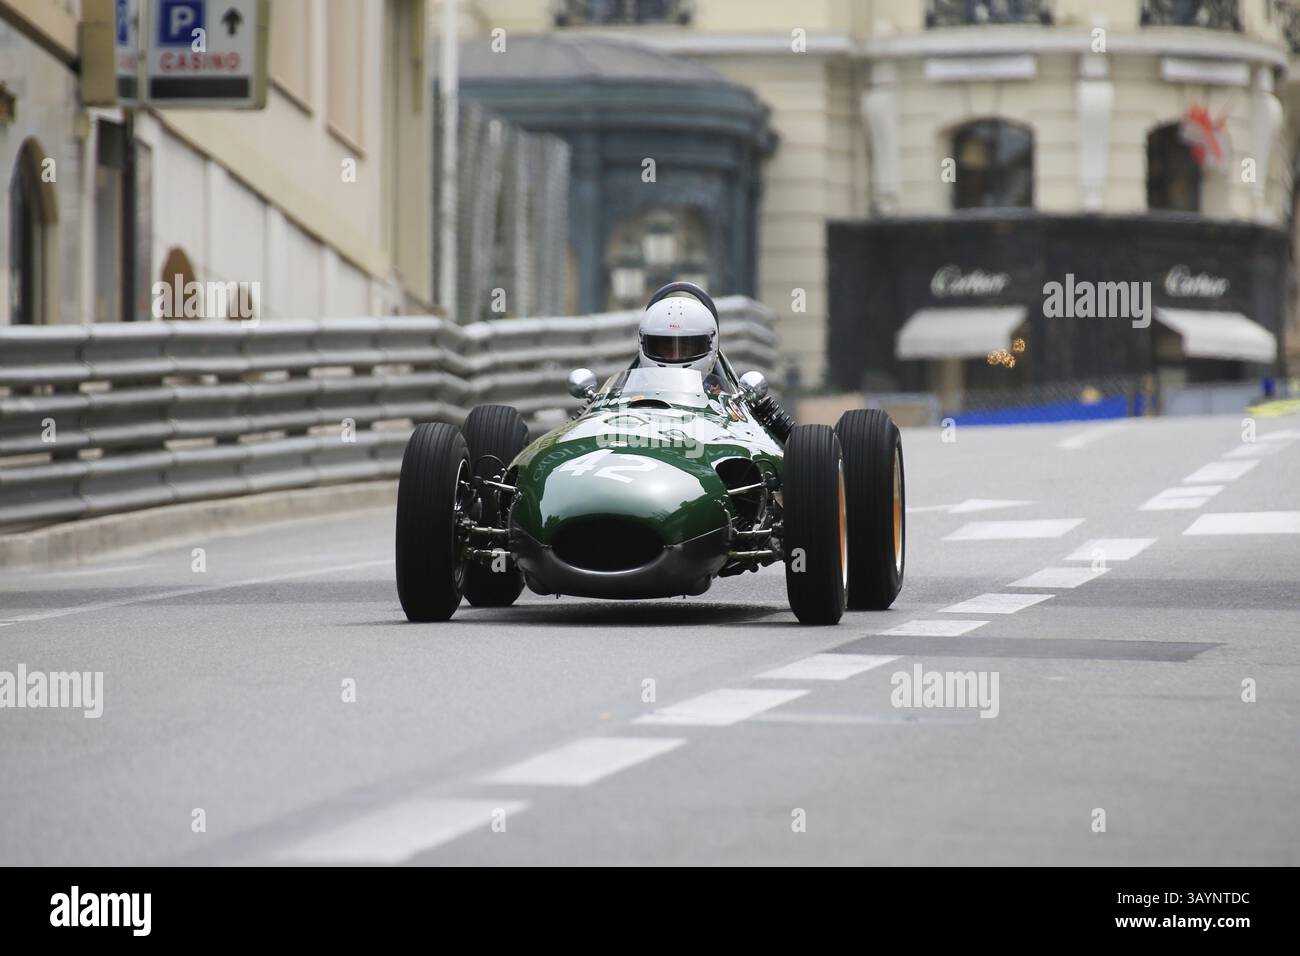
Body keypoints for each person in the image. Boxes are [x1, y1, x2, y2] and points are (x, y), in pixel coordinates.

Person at [636, 292, 727, 394]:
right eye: (667, 349)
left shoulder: (722, 401)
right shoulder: (630, 395)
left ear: (711, 344)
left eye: (685, 349)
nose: (675, 357)